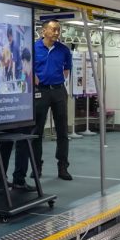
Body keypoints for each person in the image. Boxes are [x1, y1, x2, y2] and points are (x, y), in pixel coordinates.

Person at [19, 20, 73, 182]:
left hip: (58, 91)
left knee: (62, 130)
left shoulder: (63, 50)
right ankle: (36, 166)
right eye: (53, 30)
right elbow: (26, 67)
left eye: (58, 30)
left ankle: (63, 166)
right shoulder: (34, 48)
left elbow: (66, 69)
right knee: (37, 131)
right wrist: (35, 77)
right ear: (44, 31)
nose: (57, 33)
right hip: (40, 91)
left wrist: (56, 81)